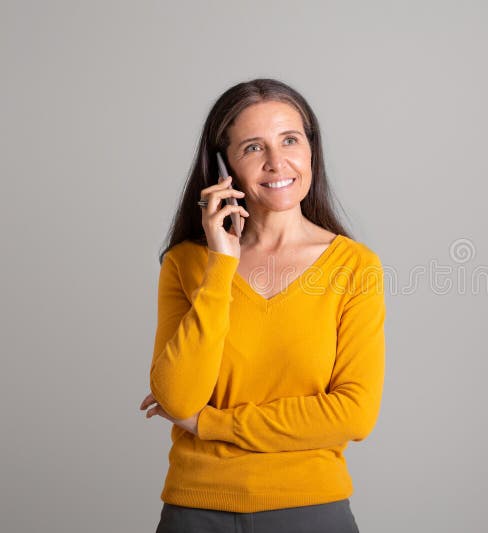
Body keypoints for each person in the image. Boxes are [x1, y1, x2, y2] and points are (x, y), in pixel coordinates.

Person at [138, 78, 385, 533]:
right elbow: (176, 397)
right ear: (223, 167)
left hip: (312, 509)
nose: (276, 162)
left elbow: (354, 414)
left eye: (290, 140)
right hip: (195, 510)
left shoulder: (355, 267)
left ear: (311, 150)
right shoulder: (186, 264)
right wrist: (221, 266)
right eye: (253, 147)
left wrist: (209, 424)